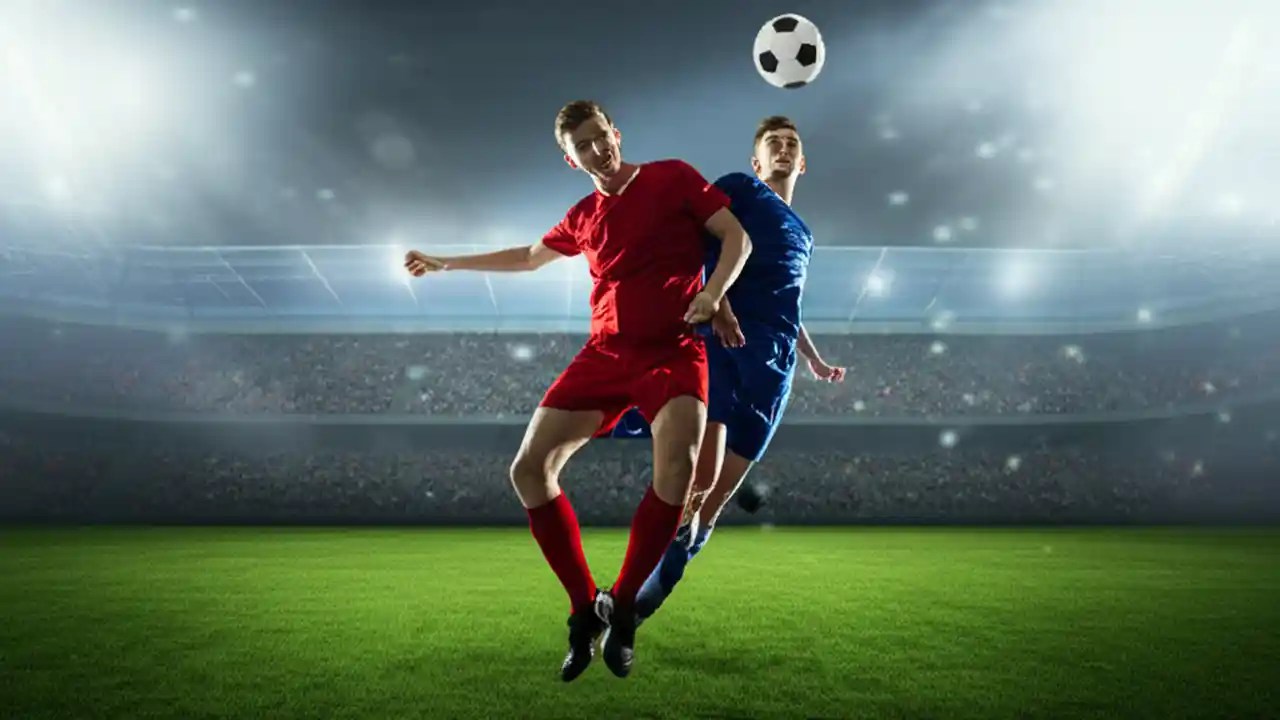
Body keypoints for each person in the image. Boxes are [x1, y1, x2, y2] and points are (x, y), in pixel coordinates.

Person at [404, 100, 751, 680]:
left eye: (601, 137)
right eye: (583, 146)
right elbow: (528, 256)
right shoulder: (583, 214)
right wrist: (446, 263)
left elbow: (734, 238)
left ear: (616, 133)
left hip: (672, 348)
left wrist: (713, 296)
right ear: (571, 160)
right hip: (605, 353)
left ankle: (624, 610)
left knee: (678, 469)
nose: (598, 150)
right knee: (527, 470)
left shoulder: (672, 176)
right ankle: (584, 610)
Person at [631, 115, 845, 623]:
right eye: (774, 143)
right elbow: (698, 246)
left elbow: (787, 305)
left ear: (803, 161)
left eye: (792, 143)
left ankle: (641, 606)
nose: (784, 148)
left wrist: (811, 356)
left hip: (777, 370)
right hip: (725, 345)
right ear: (758, 160)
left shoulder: (806, 233)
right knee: (698, 480)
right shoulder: (740, 189)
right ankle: (628, 600)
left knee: (715, 502)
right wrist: (718, 303)